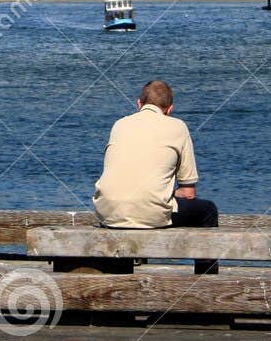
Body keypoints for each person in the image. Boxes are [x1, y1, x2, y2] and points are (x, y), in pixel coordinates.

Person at [93, 79, 218, 234]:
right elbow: (188, 193)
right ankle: (207, 259)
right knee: (208, 210)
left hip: (108, 213)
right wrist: (165, 193)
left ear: (139, 104)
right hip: (151, 215)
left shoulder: (119, 124)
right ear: (170, 109)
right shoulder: (178, 126)